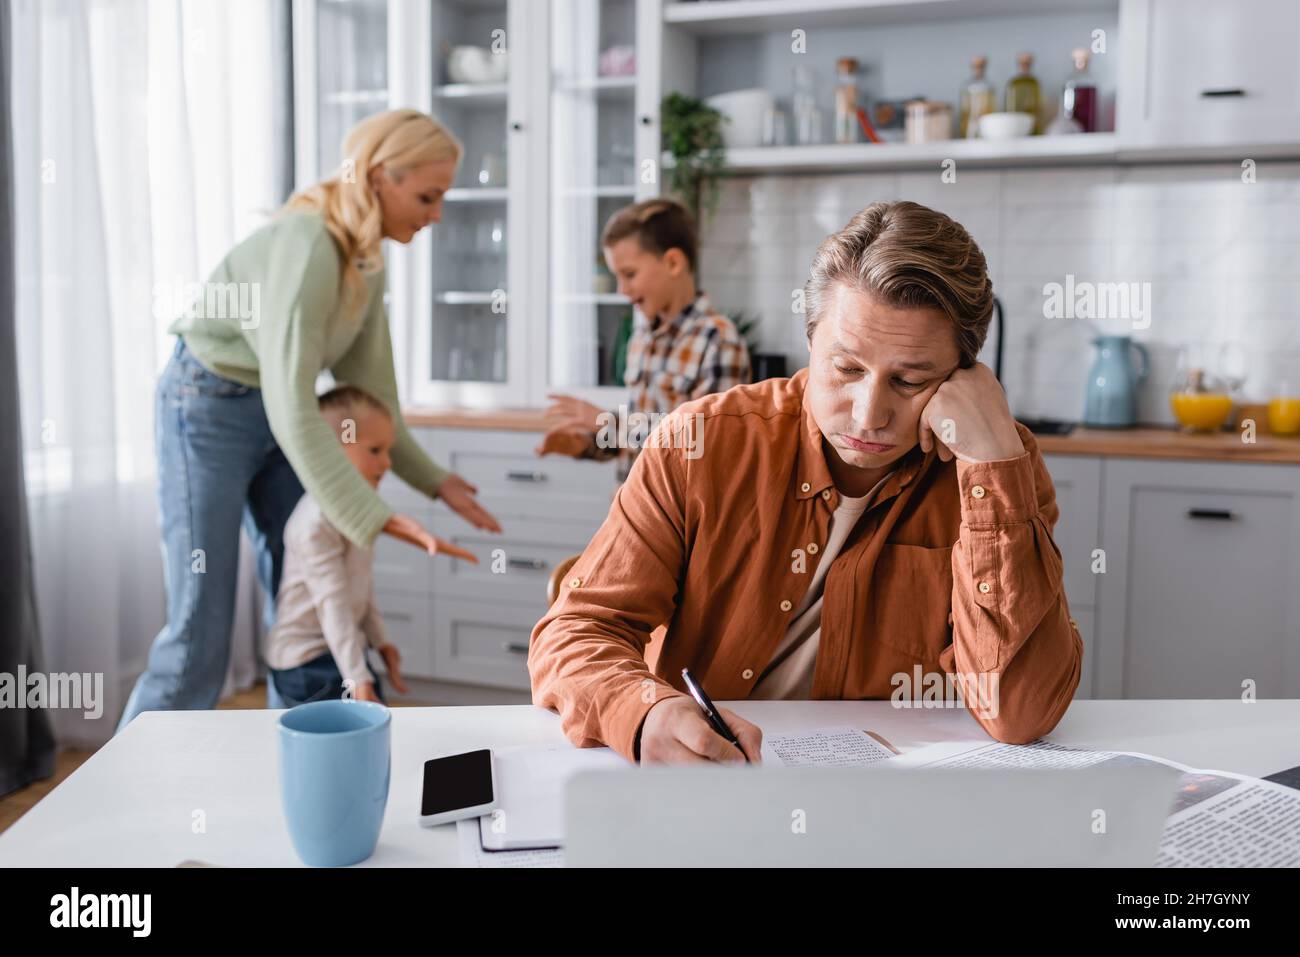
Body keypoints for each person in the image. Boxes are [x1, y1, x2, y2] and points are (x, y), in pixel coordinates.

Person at [529, 200, 1083, 764]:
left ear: (963, 377)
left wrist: (993, 463)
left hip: (884, 799)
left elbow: (1020, 711)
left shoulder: (995, 464)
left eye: (910, 381)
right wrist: (643, 710)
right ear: (810, 341)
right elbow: (575, 633)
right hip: (713, 780)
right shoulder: (700, 444)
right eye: (846, 369)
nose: (869, 414)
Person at [118, 109, 500, 731]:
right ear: (379, 178)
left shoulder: (364, 262)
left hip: (277, 414)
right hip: (207, 405)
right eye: (427, 197)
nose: (436, 215)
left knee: (302, 608)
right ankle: (126, 796)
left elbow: (373, 396)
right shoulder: (308, 245)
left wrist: (437, 482)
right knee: (200, 629)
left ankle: (297, 767)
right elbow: (294, 399)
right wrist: (377, 516)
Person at [266, 386, 473, 706]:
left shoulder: (361, 511)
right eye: (375, 450)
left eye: (389, 450)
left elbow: (360, 586)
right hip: (306, 660)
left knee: (374, 722)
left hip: (340, 651)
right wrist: (358, 679)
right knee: (359, 735)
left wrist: (381, 641)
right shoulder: (315, 522)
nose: (387, 463)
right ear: (329, 454)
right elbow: (332, 606)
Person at [536, 198, 750, 472]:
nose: (621, 290)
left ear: (673, 263)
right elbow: (639, 440)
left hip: (679, 515)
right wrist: (583, 445)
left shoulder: (718, 339)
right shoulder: (641, 337)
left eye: (629, 274)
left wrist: (607, 422)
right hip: (631, 511)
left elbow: (706, 444)